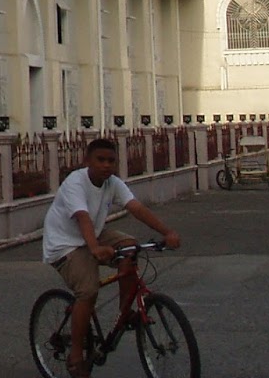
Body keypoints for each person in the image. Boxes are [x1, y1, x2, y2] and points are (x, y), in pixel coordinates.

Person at [41, 138, 182, 378]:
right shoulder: (75, 182)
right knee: (88, 291)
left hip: (93, 235)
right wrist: (95, 248)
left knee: (130, 247)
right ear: (87, 161)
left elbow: (136, 208)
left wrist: (166, 232)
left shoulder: (113, 183)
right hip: (64, 244)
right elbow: (82, 217)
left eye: (111, 161)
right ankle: (76, 356)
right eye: (100, 160)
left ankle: (124, 311)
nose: (106, 165)